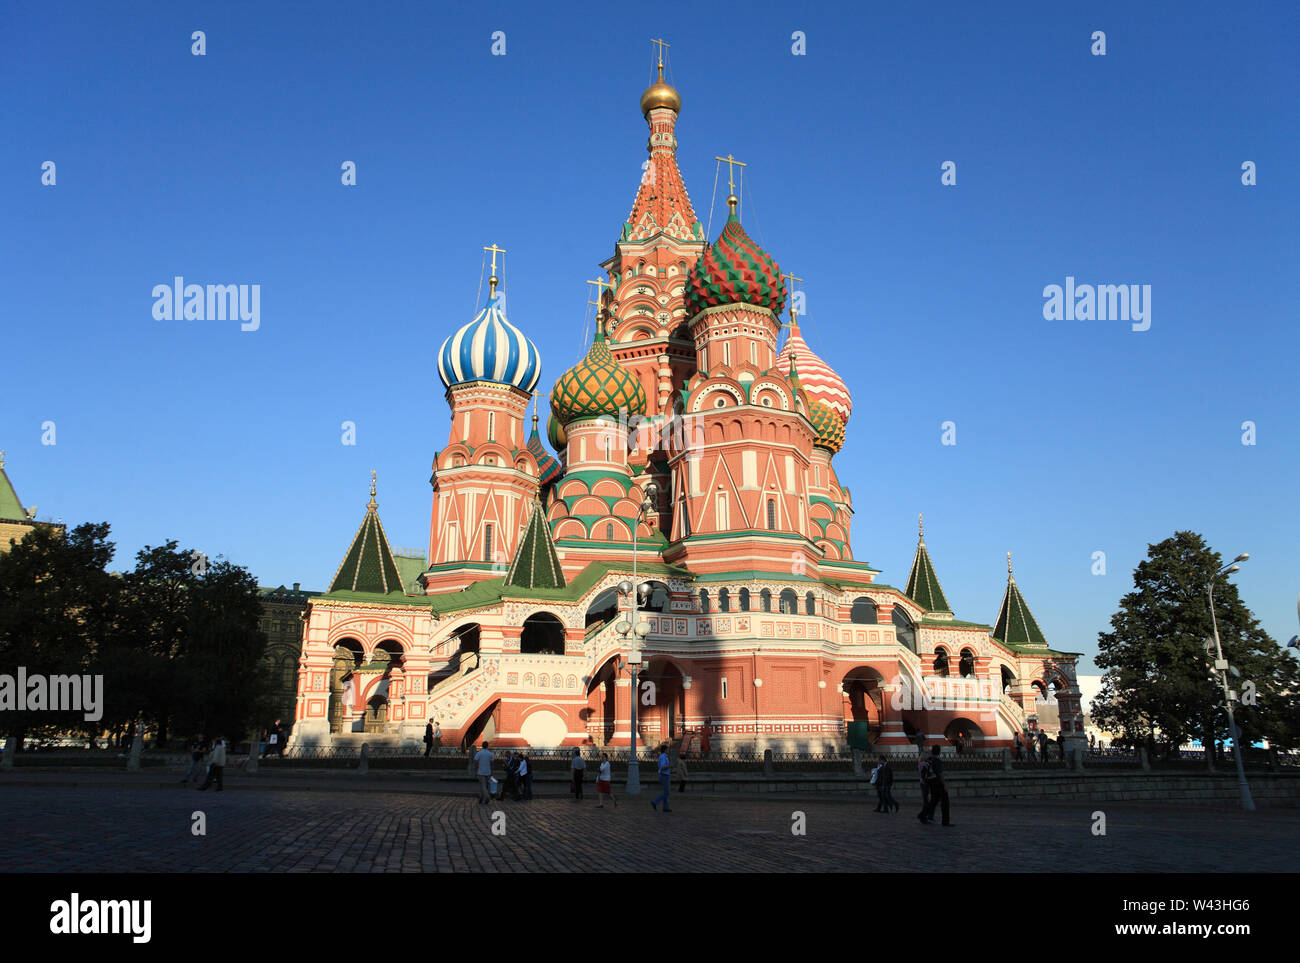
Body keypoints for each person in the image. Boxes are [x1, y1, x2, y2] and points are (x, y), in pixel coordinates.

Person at [922, 746, 952, 826]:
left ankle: (923, 815)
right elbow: (940, 774)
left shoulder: (929, 760)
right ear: (939, 752)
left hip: (930, 782)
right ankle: (945, 821)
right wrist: (944, 784)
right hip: (938, 782)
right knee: (945, 802)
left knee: (934, 800)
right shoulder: (937, 761)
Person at [651, 742, 673, 812]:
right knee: (666, 792)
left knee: (666, 792)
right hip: (664, 775)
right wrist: (669, 766)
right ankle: (655, 802)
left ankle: (665, 807)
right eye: (667, 749)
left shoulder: (664, 756)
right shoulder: (663, 757)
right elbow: (663, 767)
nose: (668, 750)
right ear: (665, 750)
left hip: (665, 775)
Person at [916, 751, 932, 822]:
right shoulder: (925, 764)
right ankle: (922, 815)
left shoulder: (920, 764)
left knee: (925, 800)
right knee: (926, 801)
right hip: (926, 783)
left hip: (922, 783)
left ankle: (923, 815)